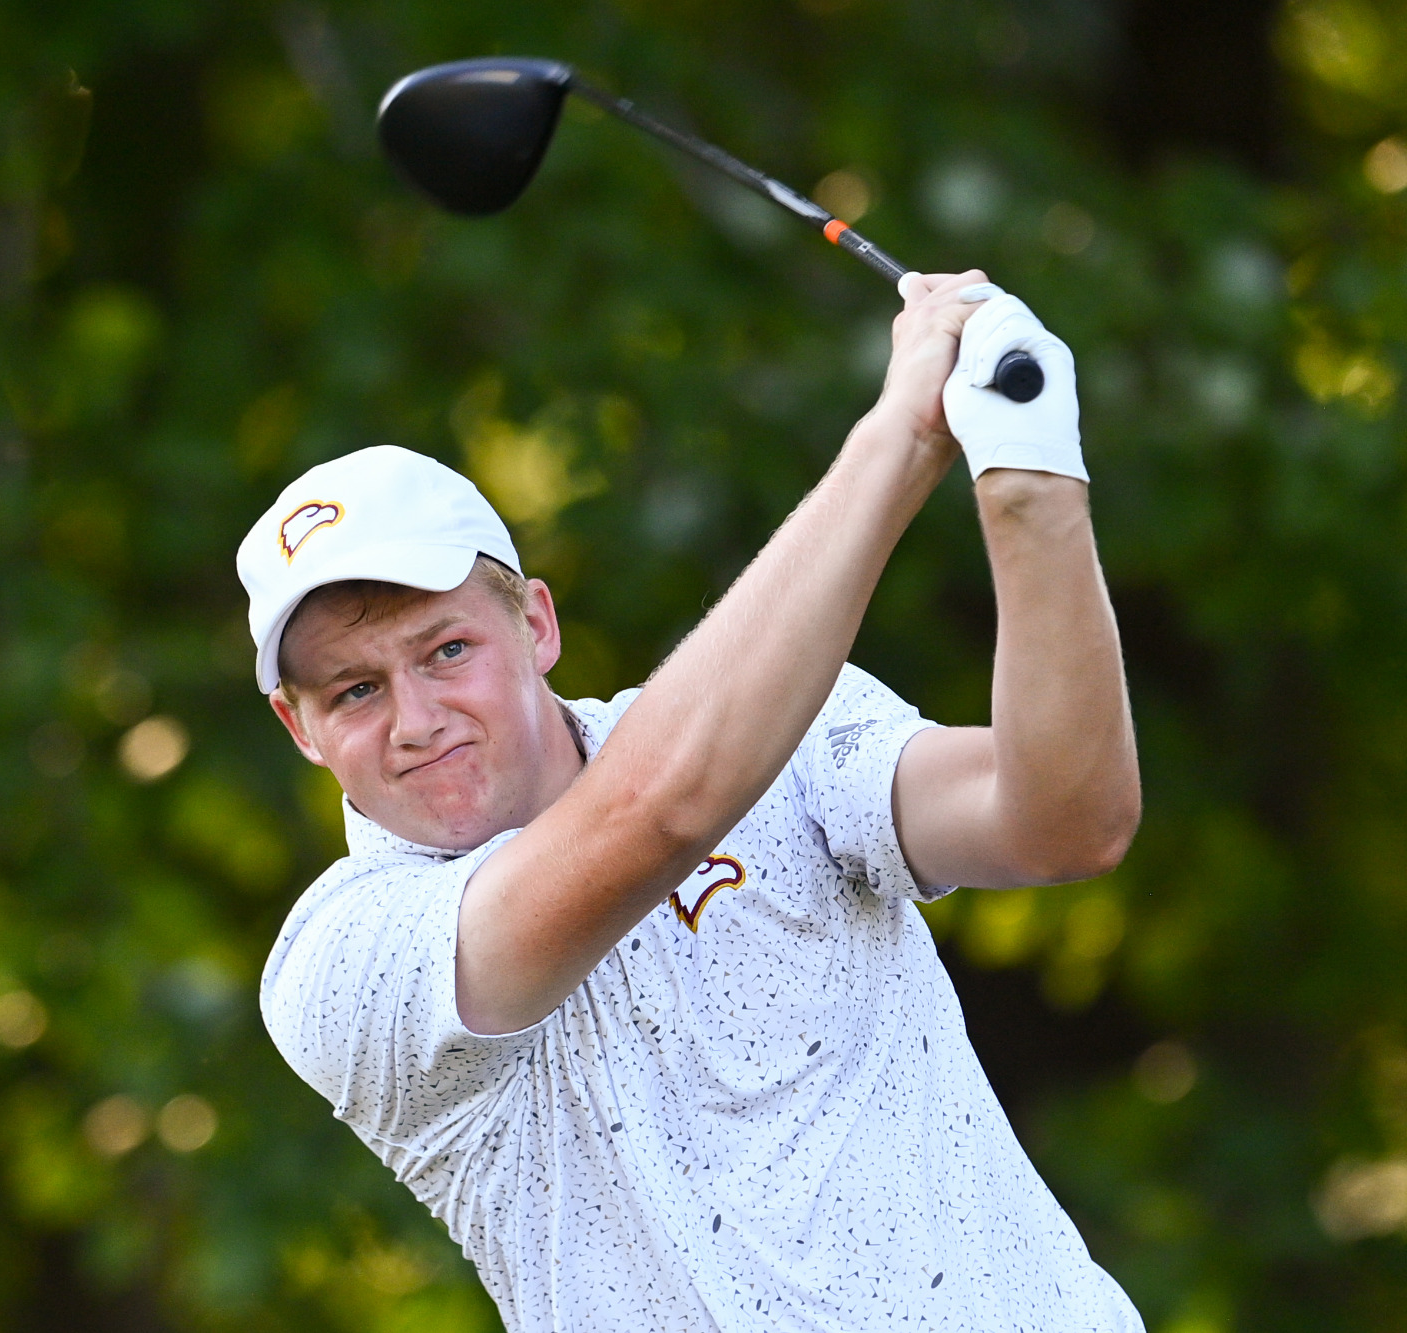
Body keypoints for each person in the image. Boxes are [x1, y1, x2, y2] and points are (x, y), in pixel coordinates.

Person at [240, 270, 1144, 1331]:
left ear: (534, 625)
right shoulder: (339, 967)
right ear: (298, 728)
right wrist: (900, 437)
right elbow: (651, 819)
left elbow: (1064, 821)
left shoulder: (788, 730)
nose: (414, 717)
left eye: (446, 650)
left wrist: (1026, 489)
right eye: (353, 689)